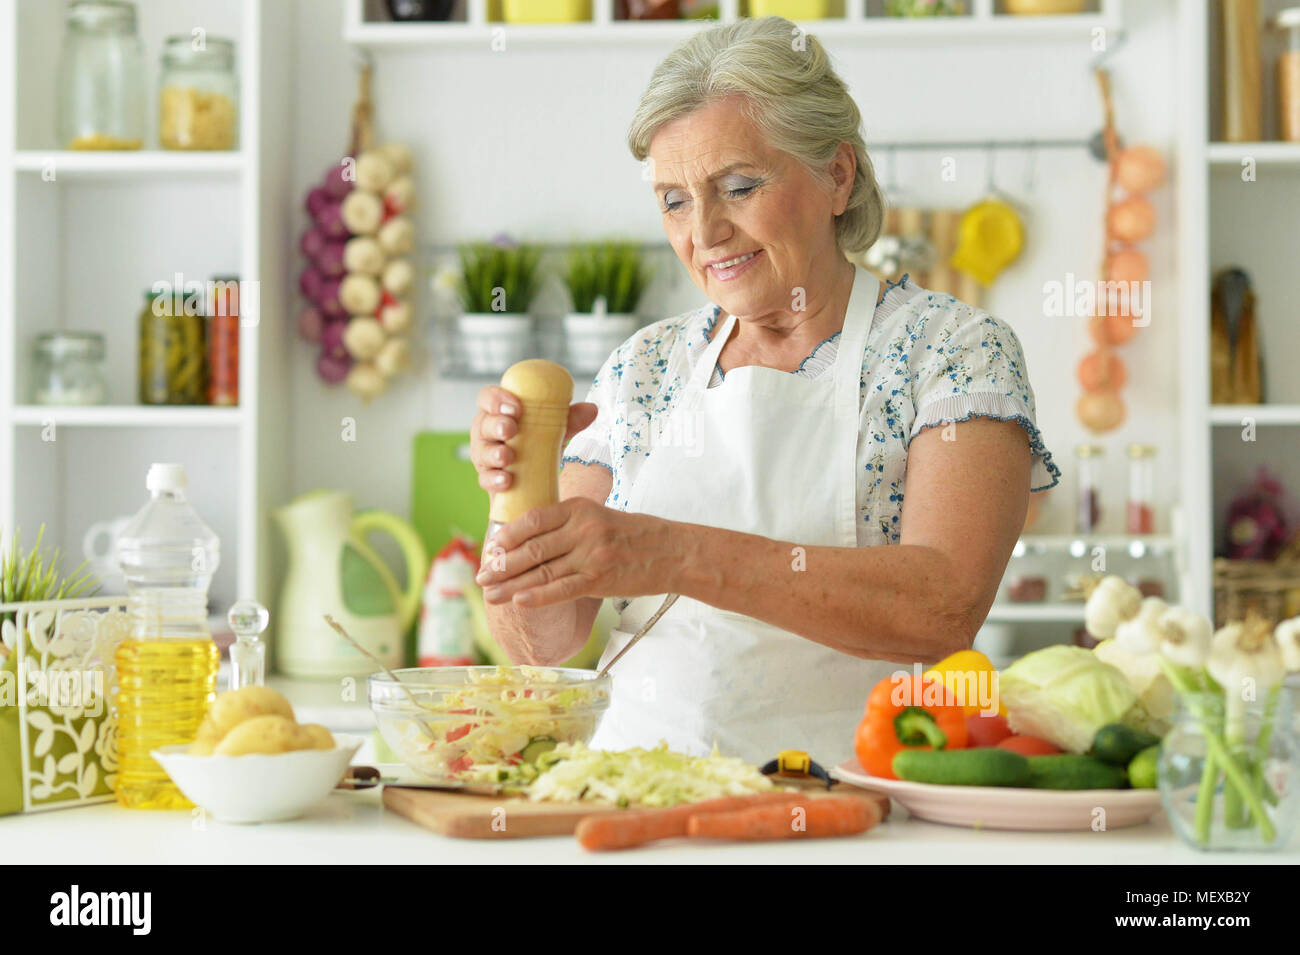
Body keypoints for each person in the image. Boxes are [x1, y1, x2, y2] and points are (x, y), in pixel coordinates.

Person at [470, 16, 1059, 766]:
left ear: (837, 175)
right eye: (674, 200)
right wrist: (512, 496)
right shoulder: (643, 368)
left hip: (860, 803)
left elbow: (941, 605)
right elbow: (543, 644)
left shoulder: (951, 353)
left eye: (739, 187)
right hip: (637, 796)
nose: (705, 232)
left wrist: (673, 553)